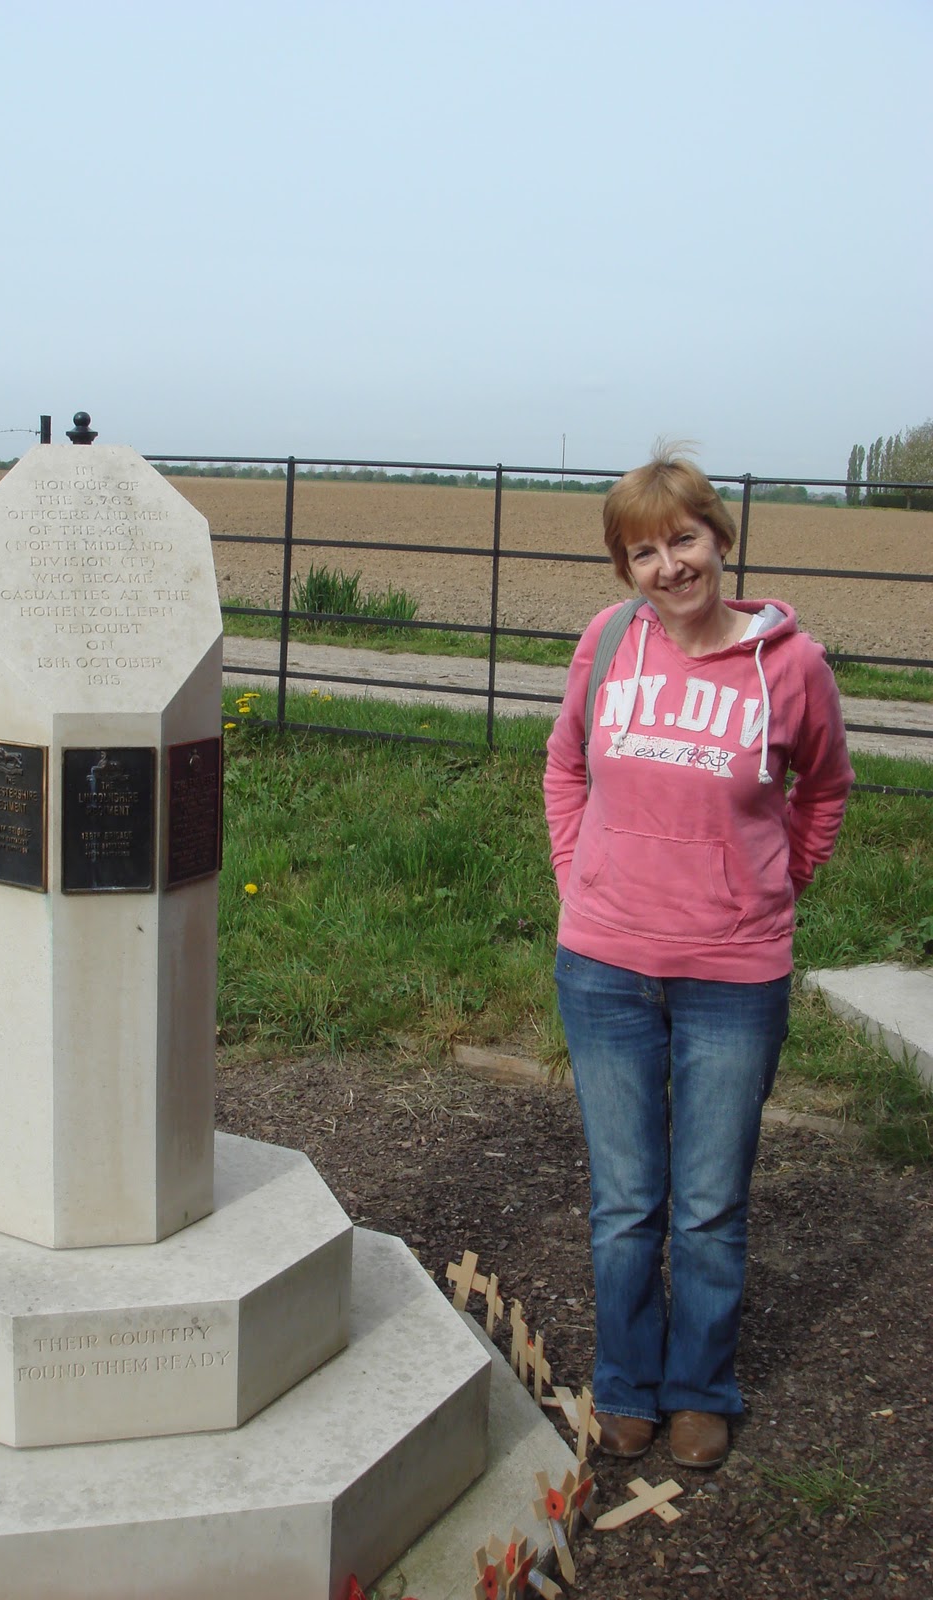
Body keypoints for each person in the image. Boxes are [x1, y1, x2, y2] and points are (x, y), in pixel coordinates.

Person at [543, 446, 853, 1469]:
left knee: (711, 1201)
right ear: (624, 569)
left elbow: (825, 787)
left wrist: (779, 883)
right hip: (605, 966)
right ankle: (628, 1382)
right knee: (629, 1200)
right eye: (642, 551)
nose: (668, 566)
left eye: (682, 539)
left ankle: (700, 1387)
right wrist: (576, 876)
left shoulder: (791, 666)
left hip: (735, 972)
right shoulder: (608, 641)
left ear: (719, 537)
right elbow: (564, 766)